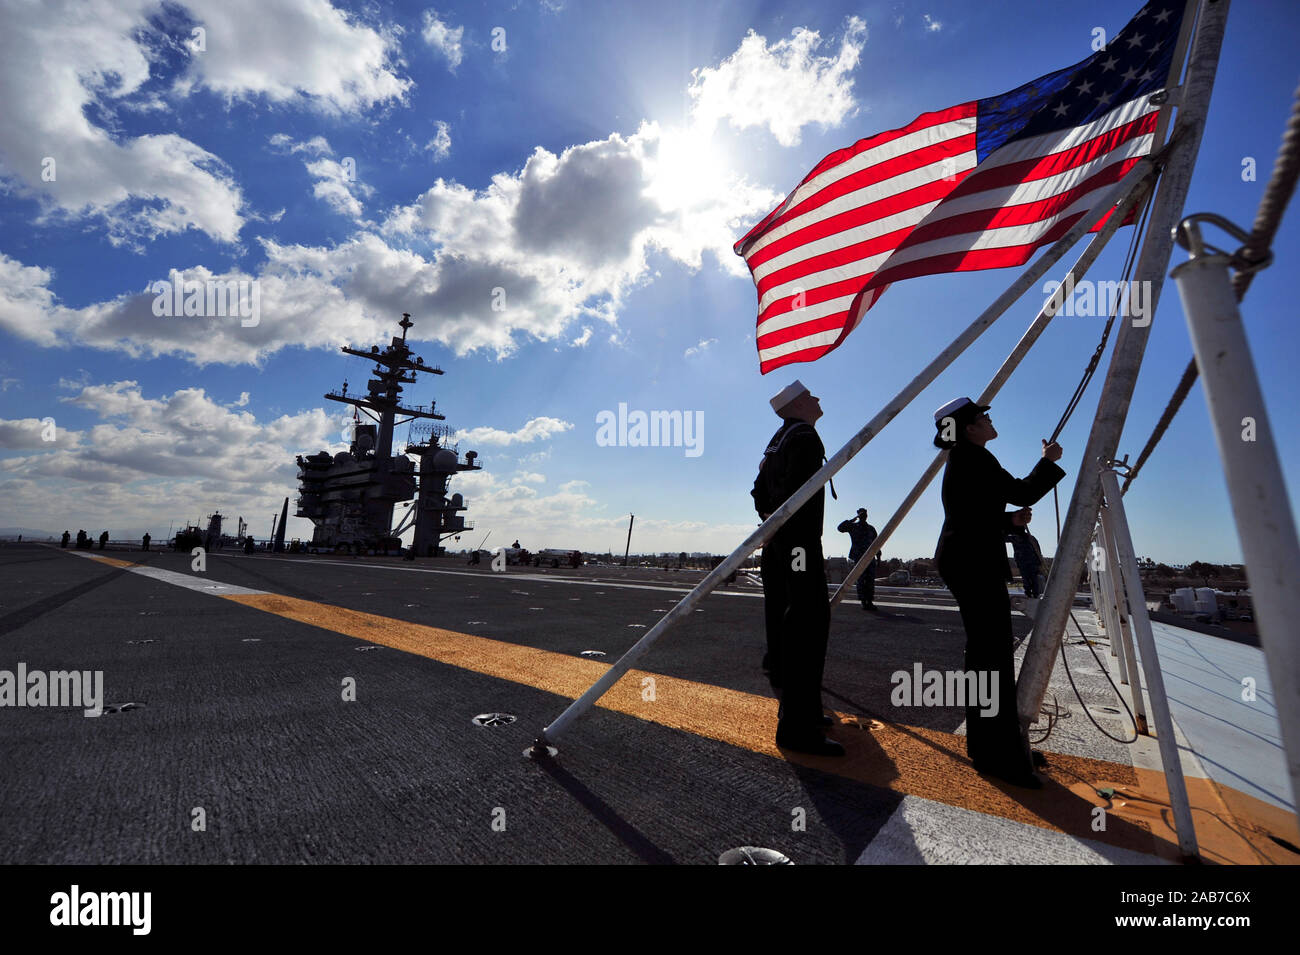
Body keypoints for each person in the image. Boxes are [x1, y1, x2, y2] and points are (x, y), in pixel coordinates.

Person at [933, 397, 1064, 789]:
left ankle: (995, 745)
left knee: (988, 652)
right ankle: (997, 753)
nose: (990, 419)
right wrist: (1049, 459)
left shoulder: (966, 458)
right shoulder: (973, 458)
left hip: (966, 558)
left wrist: (1008, 519)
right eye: (983, 416)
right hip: (971, 562)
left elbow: (975, 513)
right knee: (989, 655)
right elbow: (1023, 490)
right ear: (970, 427)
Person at [752, 380, 842, 757]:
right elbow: (796, 496)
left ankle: (803, 711)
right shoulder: (805, 436)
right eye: (812, 395)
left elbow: (759, 491)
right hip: (800, 545)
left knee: (787, 624)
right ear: (799, 404)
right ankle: (799, 728)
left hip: (780, 545)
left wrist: (770, 526)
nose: (819, 397)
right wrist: (787, 532)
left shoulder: (776, 440)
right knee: (808, 627)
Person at [837, 508, 880, 611]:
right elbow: (840, 528)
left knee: (870, 580)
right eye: (861, 514)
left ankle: (869, 601)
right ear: (858, 515)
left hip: (870, 557)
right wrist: (853, 519)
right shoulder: (853, 526)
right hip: (858, 557)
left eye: (865, 514)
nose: (864, 516)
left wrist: (878, 556)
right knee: (861, 580)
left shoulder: (871, 529)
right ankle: (863, 601)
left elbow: (877, 543)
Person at [1006, 525, 1044, 598]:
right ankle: (1031, 593)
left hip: (1028, 563)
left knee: (1031, 579)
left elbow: (1037, 550)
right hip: (1026, 563)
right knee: (1030, 579)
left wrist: (1039, 562)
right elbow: (1038, 551)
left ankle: (1033, 594)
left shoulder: (1020, 538)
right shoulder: (1020, 537)